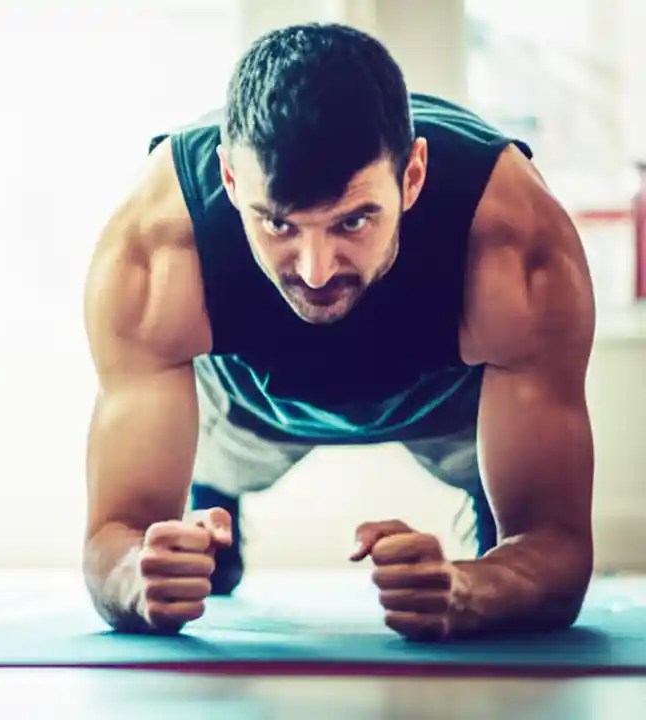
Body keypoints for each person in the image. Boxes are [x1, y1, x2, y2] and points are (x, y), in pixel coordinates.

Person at [81, 23, 596, 641]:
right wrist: (140, 577)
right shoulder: (158, 246)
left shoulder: (515, 246)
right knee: (196, 534)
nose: (316, 270)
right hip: (248, 405)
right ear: (230, 180)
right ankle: (215, 502)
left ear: (412, 178)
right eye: (277, 225)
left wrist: (473, 588)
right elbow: (110, 540)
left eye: (353, 221)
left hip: (453, 401)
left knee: (507, 565)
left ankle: (483, 513)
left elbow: (557, 546)